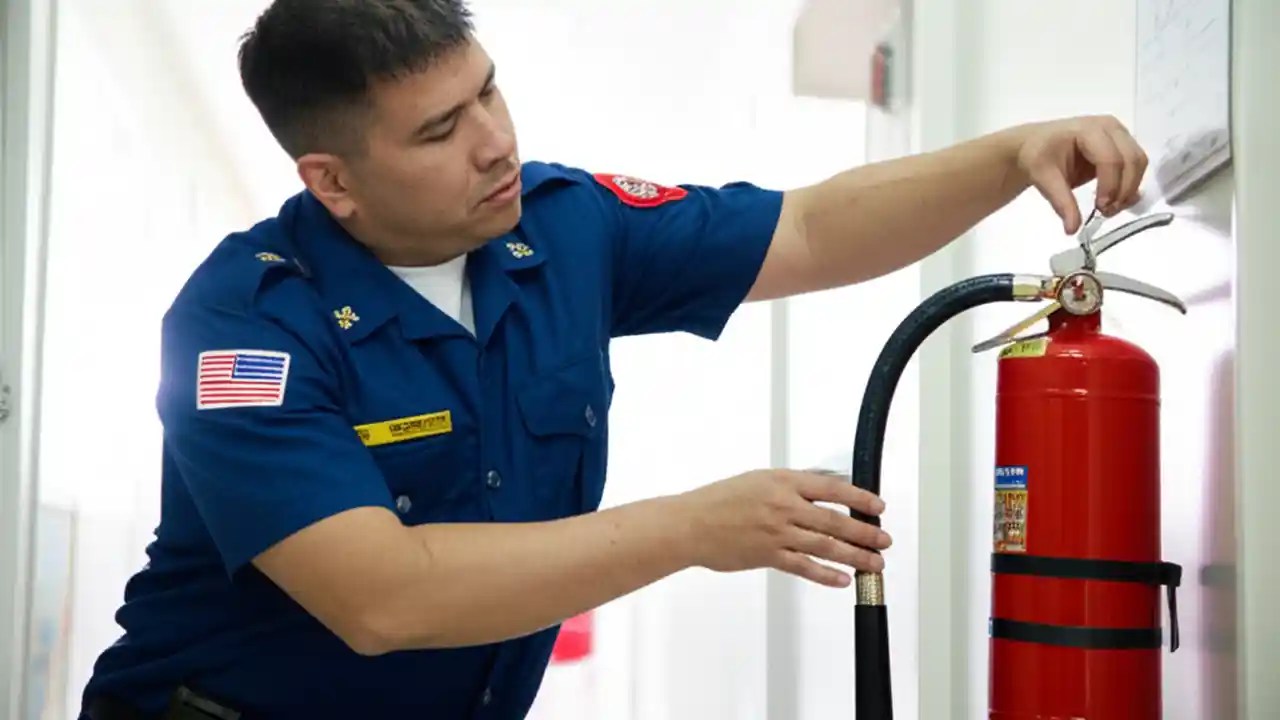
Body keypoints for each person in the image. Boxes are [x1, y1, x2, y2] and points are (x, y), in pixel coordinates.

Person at [79, 0, 1151, 718]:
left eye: (488, 91)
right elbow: (384, 600)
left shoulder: (562, 227)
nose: (495, 140)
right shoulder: (245, 326)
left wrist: (1010, 156)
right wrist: (691, 528)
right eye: (439, 130)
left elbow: (810, 228)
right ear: (334, 182)